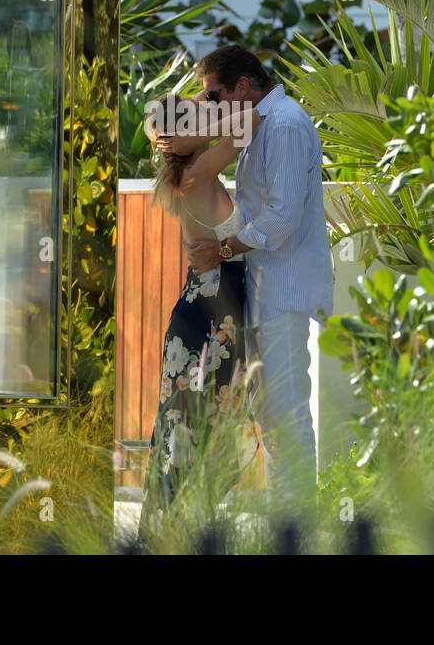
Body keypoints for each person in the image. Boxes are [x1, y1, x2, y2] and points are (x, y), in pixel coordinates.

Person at [157, 45, 334, 523]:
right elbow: (243, 129)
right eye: (203, 107)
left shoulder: (282, 124)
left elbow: (279, 215)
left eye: (214, 97)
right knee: (229, 419)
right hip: (230, 303)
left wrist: (183, 136)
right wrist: (185, 136)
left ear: (241, 86)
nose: (212, 109)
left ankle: (291, 527)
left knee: (272, 415)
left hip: (260, 296)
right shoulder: (218, 157)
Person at [139, 92, 263, 524]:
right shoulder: (198, 172)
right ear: (179, 138)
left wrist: (190, 131)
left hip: (214, 309)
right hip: (210, 317)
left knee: (200, 426)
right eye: (195, 119)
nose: (208, 118)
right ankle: (169, 535)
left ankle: (179, 532)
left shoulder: (197, 169)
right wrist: (190, 136)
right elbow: (251, 119)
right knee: (190, 430)